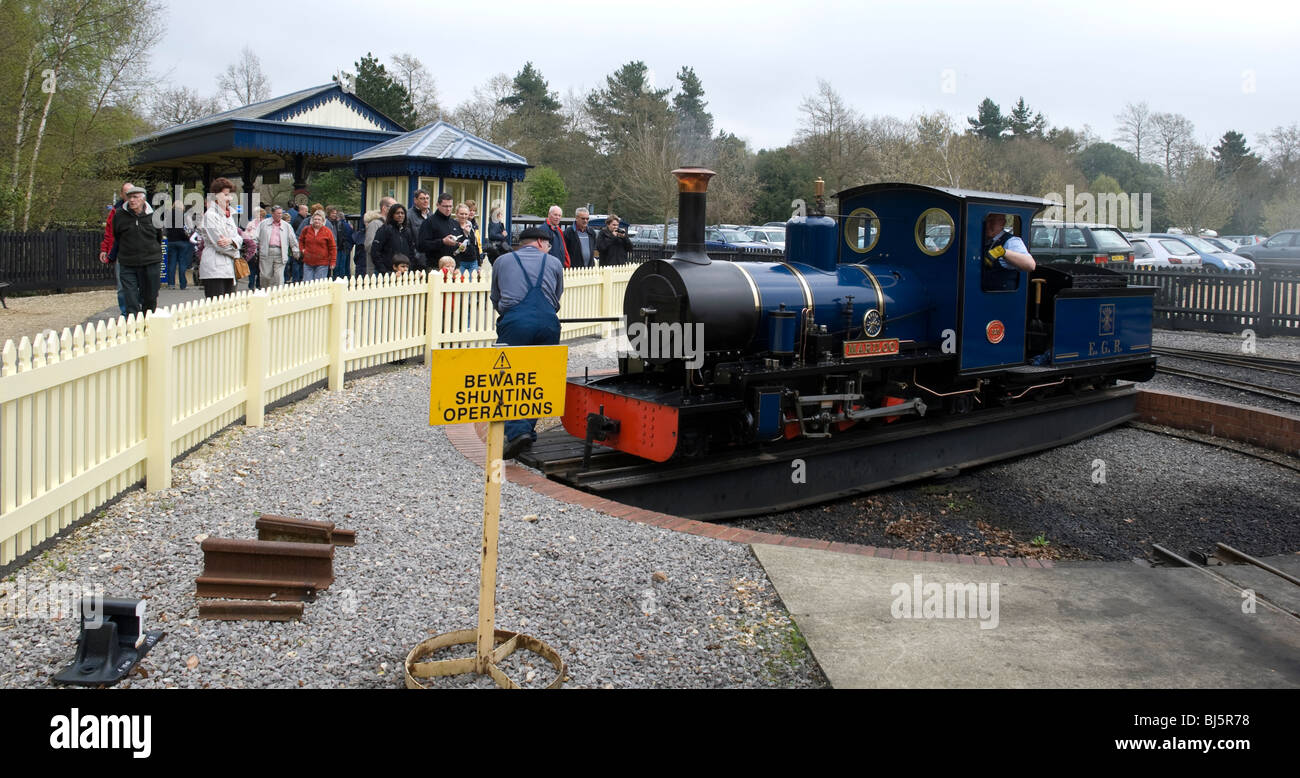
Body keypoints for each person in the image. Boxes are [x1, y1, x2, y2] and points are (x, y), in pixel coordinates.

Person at [491, 226, 565, 460]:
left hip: (515, 322)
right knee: (539, 377)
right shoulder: (553, 263)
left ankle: (518, 431)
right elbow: (557, 294)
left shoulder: (502, 262)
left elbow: (496, 295)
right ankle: (526, 430)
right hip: (547, 322)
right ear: (542, 242)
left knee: (510, 376)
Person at [111, 186, 163, 315]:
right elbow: (117, 235)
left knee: (150, 296)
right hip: (128, 263)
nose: (132, 200)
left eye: (136, 197)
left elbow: (159, 236)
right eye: (130, 197)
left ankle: (148, 322)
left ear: (143, 199)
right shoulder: (119, 215)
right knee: (130, 298)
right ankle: (133, 326)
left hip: (150, 261)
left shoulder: (154, 215)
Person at [198, 178, 243, 298]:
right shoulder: (210, 216)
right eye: (226, 195)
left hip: (229, 268)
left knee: (228, 307)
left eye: (230, 195)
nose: (230, 198)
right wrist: (235, 248)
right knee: (216, 307)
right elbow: (219, 245)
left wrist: (231, 241)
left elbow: (239, 237)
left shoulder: (229, 215)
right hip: (214, 269)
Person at [99, 181, 133, 315]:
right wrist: (105, 249)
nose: (130, 197)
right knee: (121, 286)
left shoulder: (143, 209)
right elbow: (109, 231)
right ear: (122, 194)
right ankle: (125, 313)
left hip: (137, 251)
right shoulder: (115, 211)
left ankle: (137, 311)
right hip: (120, 251)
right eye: (127, 193)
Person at [982, 213, 1035, 291]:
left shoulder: (1011, 241)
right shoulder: (985, 240)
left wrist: (1003, 252)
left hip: (1001, 297)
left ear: (1002, 223)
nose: (987, 224)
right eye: (987, 221)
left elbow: (1030, 265)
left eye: (992, 221)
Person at [256, 206, 298, 287]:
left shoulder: (286, 226)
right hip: (266, 252)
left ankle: (278, 295)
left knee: (279, 277)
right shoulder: (263, 224)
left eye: (281, 213)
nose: (280, 215)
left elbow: (293, 240)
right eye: (278, 213)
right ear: (272, 214)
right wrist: (254, 249)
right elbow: (255, 237)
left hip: (280, 253)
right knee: (265, 276)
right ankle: (265, 293)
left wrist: (295, 251)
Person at [370, 203, 417, 274]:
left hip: (405, 272)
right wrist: (384, 271)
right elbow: (375, 252)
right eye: (397, 213)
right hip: (388, 272)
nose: (400, 215)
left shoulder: (407, 232)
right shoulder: (384, 229)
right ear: (392, 215)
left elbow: (412, 252)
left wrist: (409, 268)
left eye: (402, 213)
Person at [418, 192, 460, 269]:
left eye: (450, 206)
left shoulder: (455, 223)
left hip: (453, 268)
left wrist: (461, 246)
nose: (448, 209)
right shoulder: (429, 222)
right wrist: (442, 242)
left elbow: (459, 244)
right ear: (437, 205)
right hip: (435, 267)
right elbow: (421, 246)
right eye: (445, 206)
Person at [299, 210, 337, 281]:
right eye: (315, 219)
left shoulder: (327, 232)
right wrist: (302, 250)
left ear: (323, 221)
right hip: (308, 263)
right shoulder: (306, 230)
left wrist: (333, 261)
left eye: (319, 219)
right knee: (307, 284)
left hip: (322, 264)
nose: (316, 221)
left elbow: (332, 248)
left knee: (319, 285)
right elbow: (301, 240)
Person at [166, 200, 195, 290]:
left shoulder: (169, 215)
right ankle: (183, 284)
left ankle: (171, 284)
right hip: (182, 242)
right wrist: (187, 237)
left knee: (172, 264)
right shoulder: (182, 215)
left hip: (171, 241)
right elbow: (185, 229)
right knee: (182, 263)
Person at [363, 196, 396, 272]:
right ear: (384, 208)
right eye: (393, 207)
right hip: (376, 268)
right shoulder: (375, 224)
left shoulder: (391, 225)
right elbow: (369, 246)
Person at [451, 203, 481, 276]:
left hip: (472, 261)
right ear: (456, 214)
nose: (464, 216)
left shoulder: (472, 227)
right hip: (459, 261)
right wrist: (464, 235)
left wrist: (479, 263)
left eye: (466, 214)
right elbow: (452, 243)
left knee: (472, 284)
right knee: (459, 283)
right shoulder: (452, 226)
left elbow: (475, 245)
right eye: (461, 214)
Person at [407, 189, 432, 270]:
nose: (425, 201)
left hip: (431, 259)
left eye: (427, 198)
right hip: (416, 261)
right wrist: (416, 256)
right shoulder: (409, 216)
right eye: (422, 198)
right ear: (415, 200)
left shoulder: (432, 215)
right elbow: (409, 240)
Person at [327, 206, 354, 278]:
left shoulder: (338, 223)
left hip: (339, 247)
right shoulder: (327, 223)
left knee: (338, 266)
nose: (334, 215)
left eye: (335, 213)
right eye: (333, 213)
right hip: (331, 247)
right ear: (329, 213)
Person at [242, 207, 264, 290]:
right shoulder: (250, 224)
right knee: (252, 268)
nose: (260, 217)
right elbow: (245, 234)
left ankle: (258, 284)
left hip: (262, 249)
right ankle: (251, 285)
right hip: (252, 249)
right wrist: (250, 237)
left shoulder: (265, 224)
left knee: (260, 269)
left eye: (261, 216)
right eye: (258, 215)